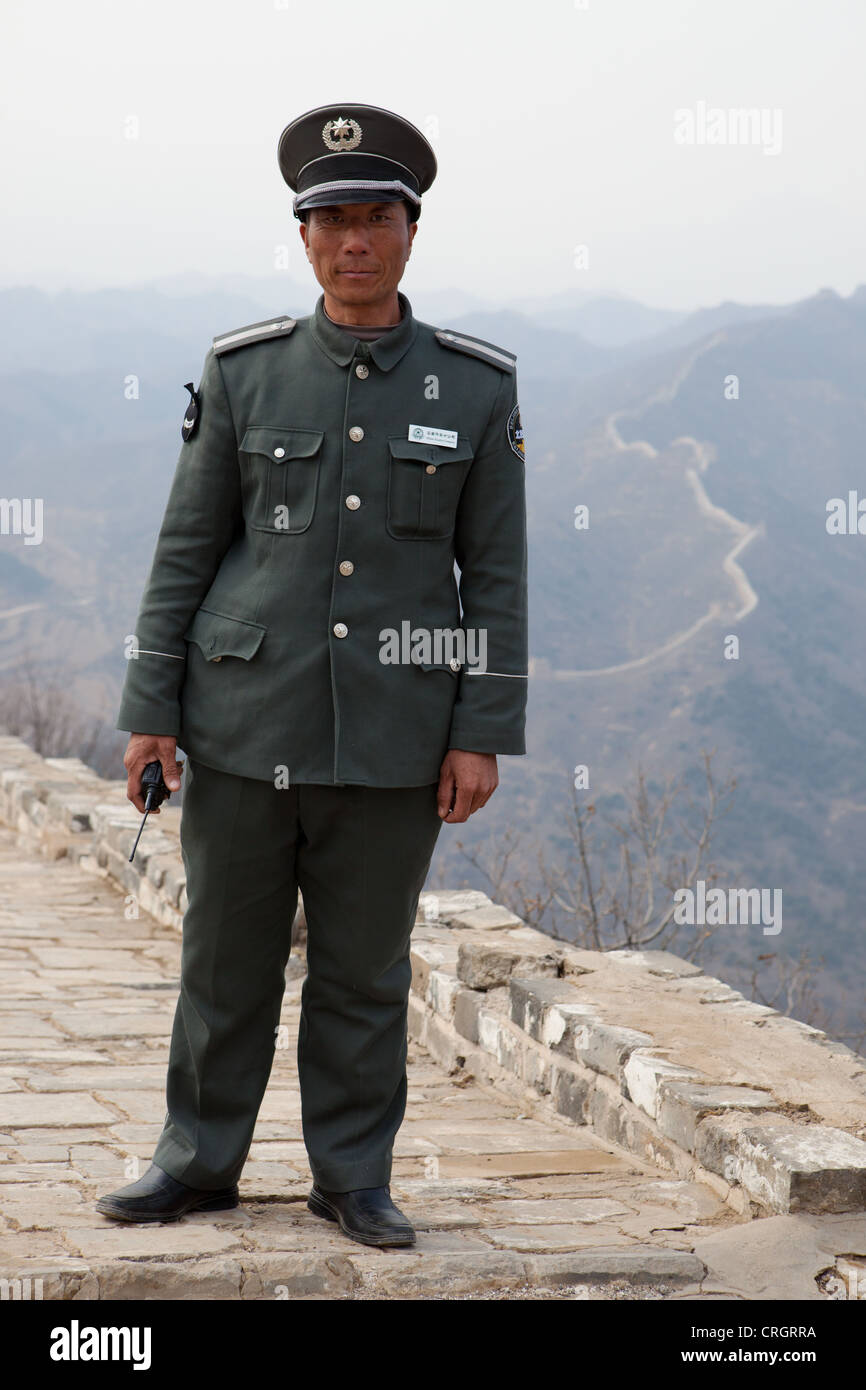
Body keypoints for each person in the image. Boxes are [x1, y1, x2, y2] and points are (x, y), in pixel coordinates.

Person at [96, 103, 529, 1247]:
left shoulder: (474, 390)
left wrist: (479, 727)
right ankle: (194, 1163)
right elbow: (185, 546)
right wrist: (151, 711)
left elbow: (493, 574)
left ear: (408, 230)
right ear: (303, 240)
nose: (352, 241)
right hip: (242, 719)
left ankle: (351, 1177)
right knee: (222, 964)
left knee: (362, 974)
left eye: (372, 219)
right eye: (329, 221)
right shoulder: (244, 372)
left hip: (394, 734)